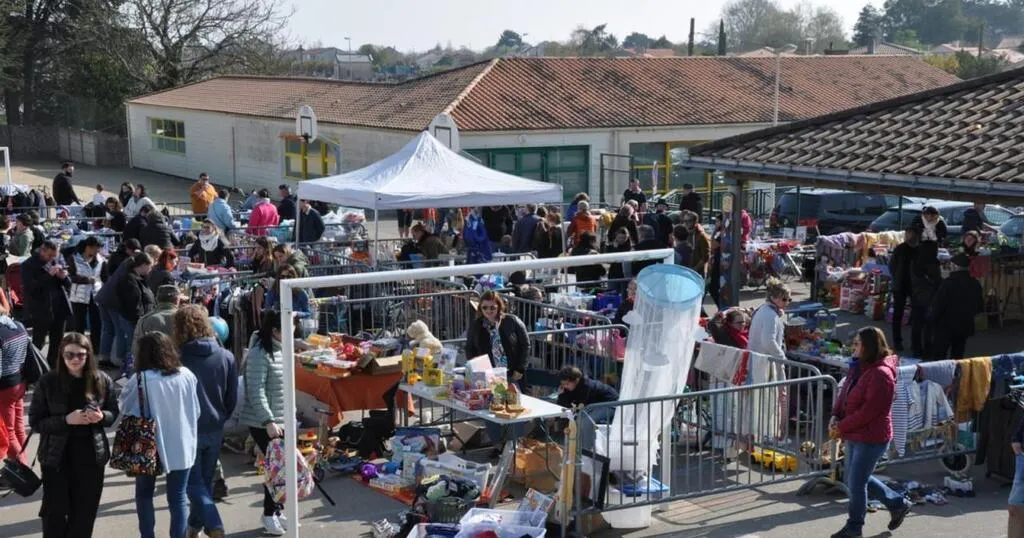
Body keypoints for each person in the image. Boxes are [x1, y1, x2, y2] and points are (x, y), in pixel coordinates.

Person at [30, 333, 118, 538]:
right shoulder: (48, 382)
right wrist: (66, 420)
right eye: (69, 355)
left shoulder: (101, 380)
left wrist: (101, 416)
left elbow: (113, 413)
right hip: (56, 459)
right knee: (54, 515)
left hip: (91, 458)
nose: (75, 359)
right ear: (61, 354)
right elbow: (35, 422)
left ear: (88, 356)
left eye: (80, 355)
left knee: (84, 515)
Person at [828, 327, 912, 538]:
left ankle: (855, 526)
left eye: (857, 344)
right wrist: (836, 415)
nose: (852, 347)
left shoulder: (881, 375)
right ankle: (898, 503)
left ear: (868, 346)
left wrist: (842, 426)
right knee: (854, 479)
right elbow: (845, 392)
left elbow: (870, 412)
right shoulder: (858, 367)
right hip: (854, 433)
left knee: (857, 483)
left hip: (872, 437)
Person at [119, 333, 200, 538]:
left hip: (148, 444)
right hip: (183, 443)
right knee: (178, 498)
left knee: (145, 494)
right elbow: (196, 410)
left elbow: (125, 407)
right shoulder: (187, 375)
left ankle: (148, 535)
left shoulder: (140, 379)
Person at [174, 305, 236, 538]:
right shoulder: (226, 356)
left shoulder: (177, 358)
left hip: (186, 428)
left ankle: (213, 524)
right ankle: (194, 527)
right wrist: (220, 417)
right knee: (204, 481)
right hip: (215, 426)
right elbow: (231, 398)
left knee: (192, 483)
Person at [238, 310, 288, 536]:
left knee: (282, 468)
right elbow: (255, 390)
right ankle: (269, 514)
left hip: (281, 419)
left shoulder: (281, 350)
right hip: (264, 422)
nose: (293, 331)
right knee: (275, 468)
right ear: (276, 331)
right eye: (289, 326)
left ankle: (277, 510)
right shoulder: (260, 353)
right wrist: (268, 420)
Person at [21, 241, 72, 368]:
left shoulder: (55, 260)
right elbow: (31, 287)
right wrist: (48, 275)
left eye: (54, 256)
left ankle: (53, 369)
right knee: (39, 342)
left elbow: (68, 284)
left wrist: (64, 277)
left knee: (58, 342)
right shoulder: (28, 265)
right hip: (41, 309)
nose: (52, 258)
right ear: (42, 251)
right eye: (50, 255)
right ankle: (33, 370)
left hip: (60, 307)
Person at [928, 253, 984, 361]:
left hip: (945, 325)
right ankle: (956, 375)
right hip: (964, 324)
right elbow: (979, 306)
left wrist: (931, 320)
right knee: (958, 355)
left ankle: (940, 376)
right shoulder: (975, 284)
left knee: (940, 355)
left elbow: (938, 305)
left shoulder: (948, 283)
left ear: (955, 266)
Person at [465, 291, 529, 385]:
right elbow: (469, 348)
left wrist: (520, 368)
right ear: (480, 308)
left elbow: (525, 345)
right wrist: (476, 369)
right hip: (488, 375)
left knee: (514, 398)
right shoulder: (476, 325)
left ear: (499, 307)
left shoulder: (512, 321)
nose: (488, 310)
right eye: (485, 307)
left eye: (492, 307)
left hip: (512, 373)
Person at [556, 365, 619, 449]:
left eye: (567, 384)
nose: (565, 386)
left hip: (611, 404)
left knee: (585, 422)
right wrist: (561, 395)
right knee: (576, 421)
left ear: (576, 380)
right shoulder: (569, 389)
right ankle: (573, 450)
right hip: (594, 406)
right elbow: (565, 405)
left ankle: (587, 451)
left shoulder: (586, 386)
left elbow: (580, 407)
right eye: (563, 384)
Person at [0, 311, 30, 464]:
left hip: (4, 388)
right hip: (19, 382)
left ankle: (21, 470)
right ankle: (24, 462)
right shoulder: (18, 326)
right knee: (19, 427)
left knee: (8, 432)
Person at [65, 236, 105, 353]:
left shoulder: (101, 260)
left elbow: (104, 277)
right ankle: (78, 347)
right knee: (79, 324)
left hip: (95, 295)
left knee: (96, 323)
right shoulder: (73, 258)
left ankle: (96, 348)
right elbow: (69, 277)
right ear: (88, 248)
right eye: (95, 250)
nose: (97, 252)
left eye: (98, 250)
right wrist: (86, 279)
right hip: (78, 296)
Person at [115, 252, 156, 361]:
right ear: (143, 265)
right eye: (150, 266)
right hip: (132, 319)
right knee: (132, 347)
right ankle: (128, 370)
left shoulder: (136, 277)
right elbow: (133, 303)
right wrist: (140, 319)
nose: (150, 269)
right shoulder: (130, 279)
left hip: (134, 318)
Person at [888, 228, 919, 353]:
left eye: (910, 232)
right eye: (906, 233)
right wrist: (896, 278)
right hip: (900, 285)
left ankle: (916, 344)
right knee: (897, 314)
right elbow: (892, 266)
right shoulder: (900, 248)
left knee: (917, 315)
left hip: (915, 286)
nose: (907, 235)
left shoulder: (920, 249)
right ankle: (897, 341)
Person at [134, 284, 181, 356]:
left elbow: (136, 348)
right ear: (177, 299)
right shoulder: (185, 317)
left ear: (157, 299)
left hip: (151, 363)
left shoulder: (145, 319)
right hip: (179, 362)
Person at [748, 279, 789, 361]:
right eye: (784, 299)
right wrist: (781, 357)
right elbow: (768, 341)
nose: (787, 302)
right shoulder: (770, 315)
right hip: (764, 361)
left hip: (759, 359)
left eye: (789, 299)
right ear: (773, 298)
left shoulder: (765, 309)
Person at [681, 210, 710, 279]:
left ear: (695, 222)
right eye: (684, 221)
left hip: (696, 273)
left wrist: (694, 269)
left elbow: (705, 257)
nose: (686, 223)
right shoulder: (683, 234)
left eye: (689, 221)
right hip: (684, 271)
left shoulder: (701, 236)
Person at [604, 227, 633, 291]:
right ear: (616, 236)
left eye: (624, 238)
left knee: (625, 294)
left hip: (625, 275)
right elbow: (608, 260)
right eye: (620, 238)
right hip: (613, 274)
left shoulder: (630, 247)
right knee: (612, 293)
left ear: (627, 237)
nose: (622, 240)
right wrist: (615, 248)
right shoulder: (610, 246)